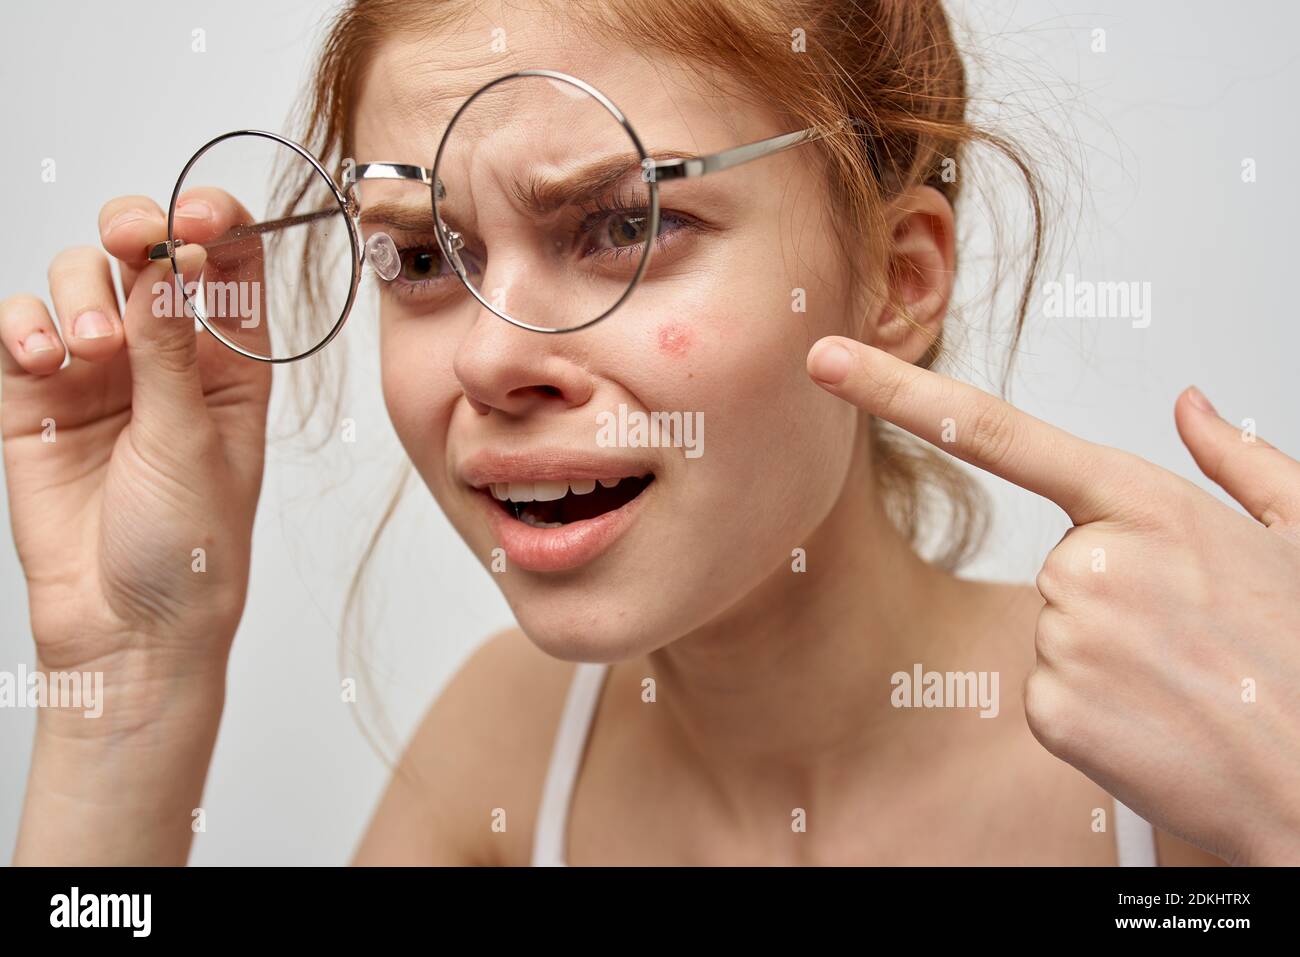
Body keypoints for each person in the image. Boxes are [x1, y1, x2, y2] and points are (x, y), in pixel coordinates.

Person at [4, 0, 1297, 866]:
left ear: (897, 279)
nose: (494, 357)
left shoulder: (1184, 758)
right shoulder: (504, 758)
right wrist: (132, 681)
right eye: (420, 253)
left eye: (624, 225)